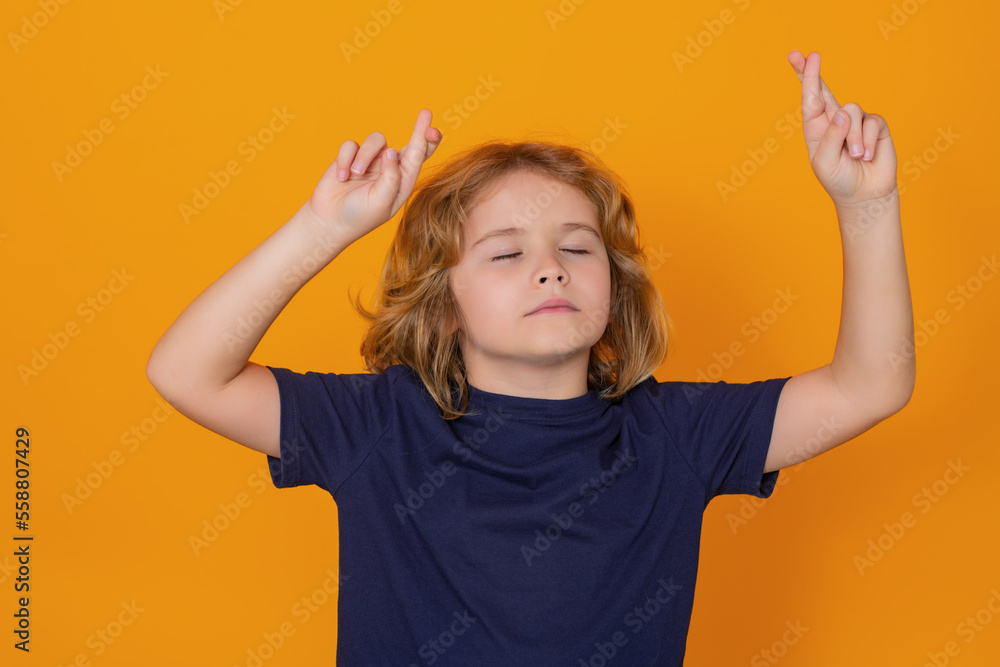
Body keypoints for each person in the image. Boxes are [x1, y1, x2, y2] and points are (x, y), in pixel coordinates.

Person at [146, 50, 915, 666]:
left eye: (576, 248)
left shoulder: (674, 434)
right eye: (506, 253)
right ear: (444, 308)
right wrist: (323, 229)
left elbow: (872, 384)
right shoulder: (379, 426)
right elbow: (185, 371)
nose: (550, 267)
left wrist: (865, 202)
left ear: (613, 287)